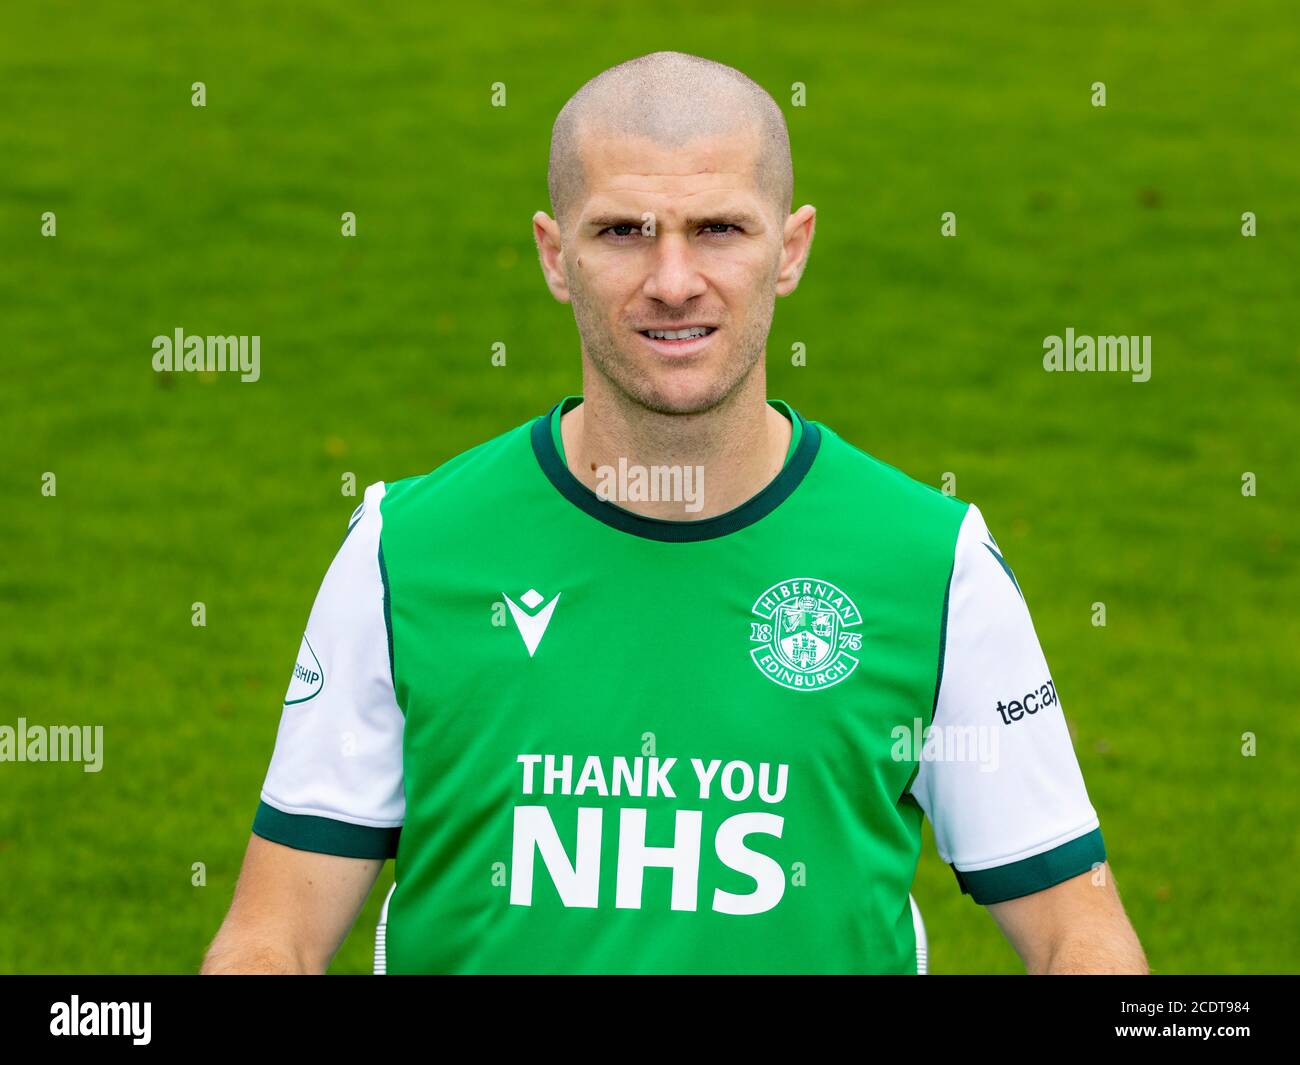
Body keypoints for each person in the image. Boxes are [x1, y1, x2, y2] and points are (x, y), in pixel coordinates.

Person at [203, 51, 1146, 974]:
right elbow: (271, 937)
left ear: (791, 247)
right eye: (623, 232)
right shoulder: (405, 549)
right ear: (553, 254)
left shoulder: (932, 564)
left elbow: (1079, 933)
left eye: (720, 229)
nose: (673, 280)